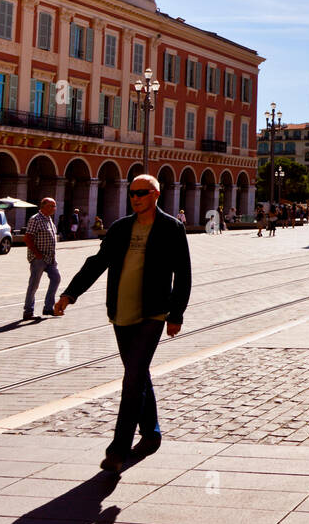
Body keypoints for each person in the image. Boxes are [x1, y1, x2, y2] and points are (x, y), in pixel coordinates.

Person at [54, 175, 191, 475]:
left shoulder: (171, 228)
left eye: (141, 193)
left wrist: (176, 314)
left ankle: (118, 450)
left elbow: (183, 273)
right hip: (121, 313)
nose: (135, 198)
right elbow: (97, 262)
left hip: (153, 313)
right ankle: (152, 432)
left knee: (132, 380)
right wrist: (70, 293)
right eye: (132, 194)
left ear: (155, 194)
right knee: (137, 372)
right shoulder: (120, 228)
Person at [23, 197, 61, 319]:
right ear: (43, 206)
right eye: (51, 206)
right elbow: (28, 238)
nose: (54, 208)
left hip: (50, 258)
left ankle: (48, 307)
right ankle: (28, 311)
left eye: (55, 206)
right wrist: (37, 254)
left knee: (56, 278)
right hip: (38, 258)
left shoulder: (49, 219)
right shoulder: (35, 219)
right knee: (34, 284)